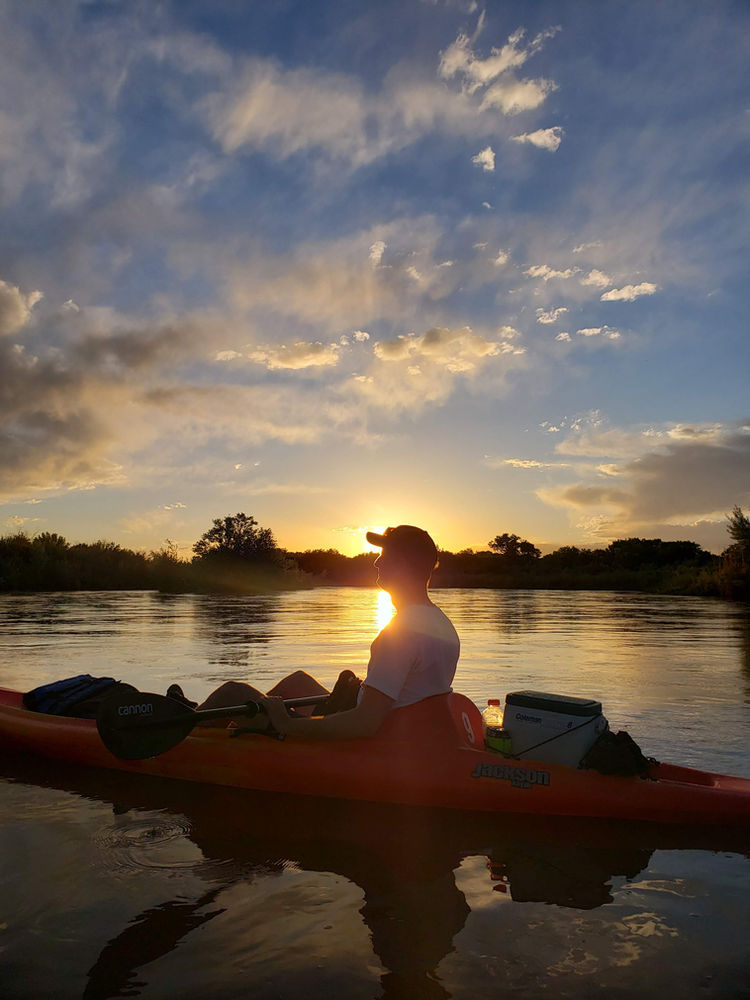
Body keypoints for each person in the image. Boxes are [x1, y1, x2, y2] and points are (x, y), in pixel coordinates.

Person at [189, 525, 460, 741]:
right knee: (298, 682)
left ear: (403, 564)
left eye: (385, 556)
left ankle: (191, 735)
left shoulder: (400, 633)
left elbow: (364, 724)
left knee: (234, 694)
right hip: (390, 722)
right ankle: (224, 725)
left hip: (367, 738)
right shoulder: (440, 623)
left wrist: (287, 724)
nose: (377, 563)